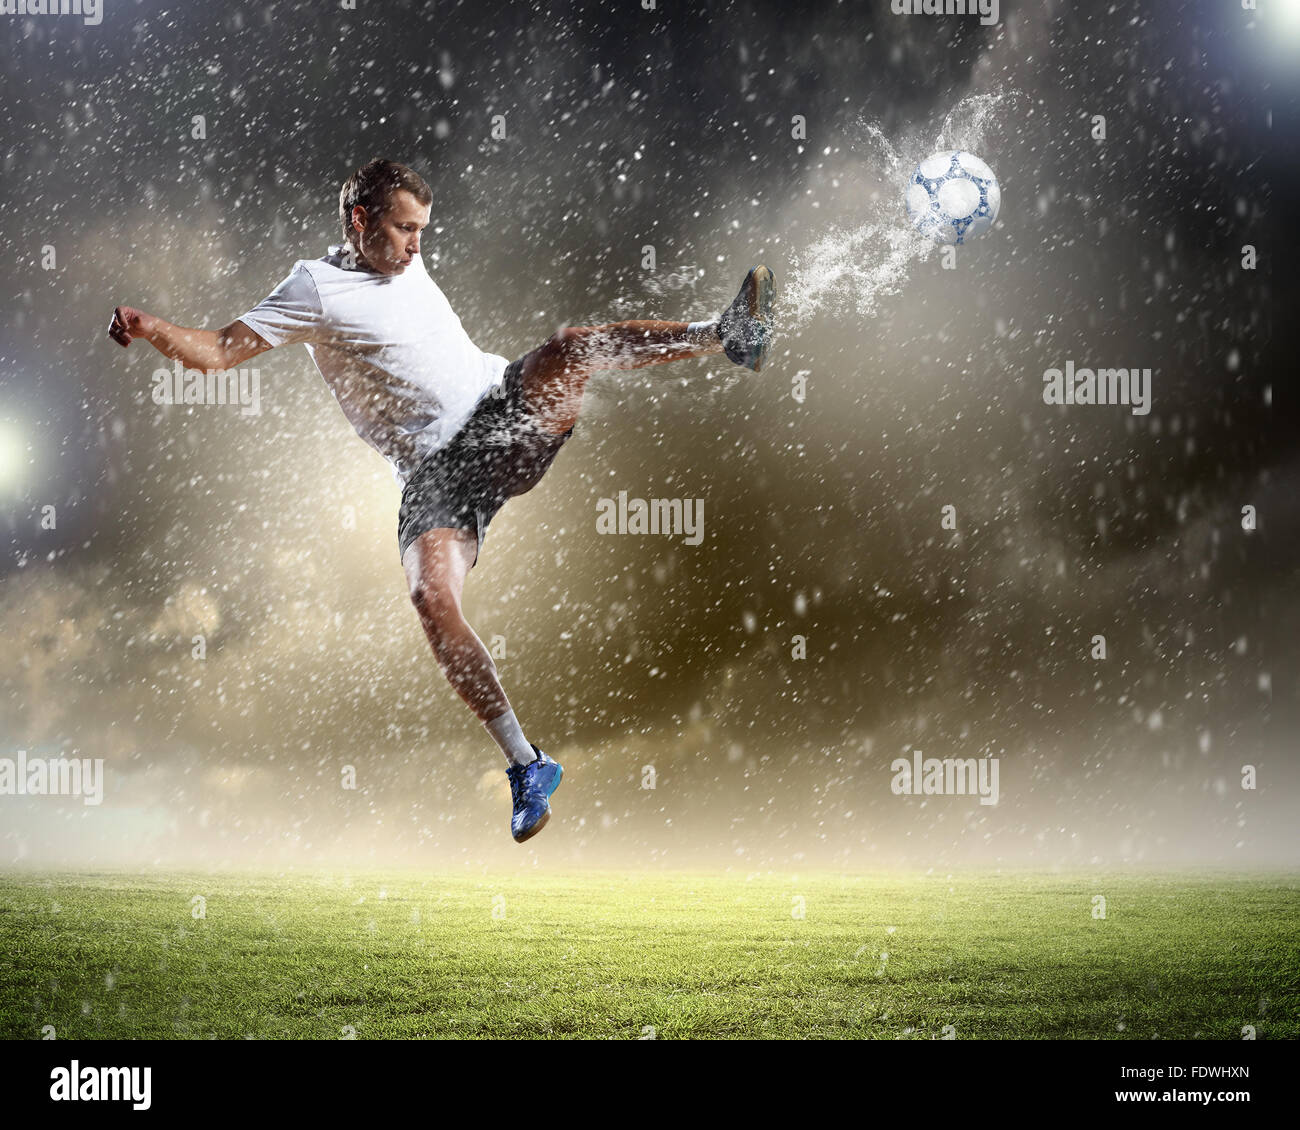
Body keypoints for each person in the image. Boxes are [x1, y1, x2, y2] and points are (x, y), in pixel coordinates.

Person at [109, 157, 775, 843]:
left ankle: (725, 335)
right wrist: (150, 325)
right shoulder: (314, 288)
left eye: (423, 229)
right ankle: (527, 767)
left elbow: (427, 292)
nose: (416, 246)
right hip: (435, 479)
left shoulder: (405, 258)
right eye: (402, 230)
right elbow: (218, 351)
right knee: (431, 601)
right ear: (359, 220)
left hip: (499, 414)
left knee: (568, 348)